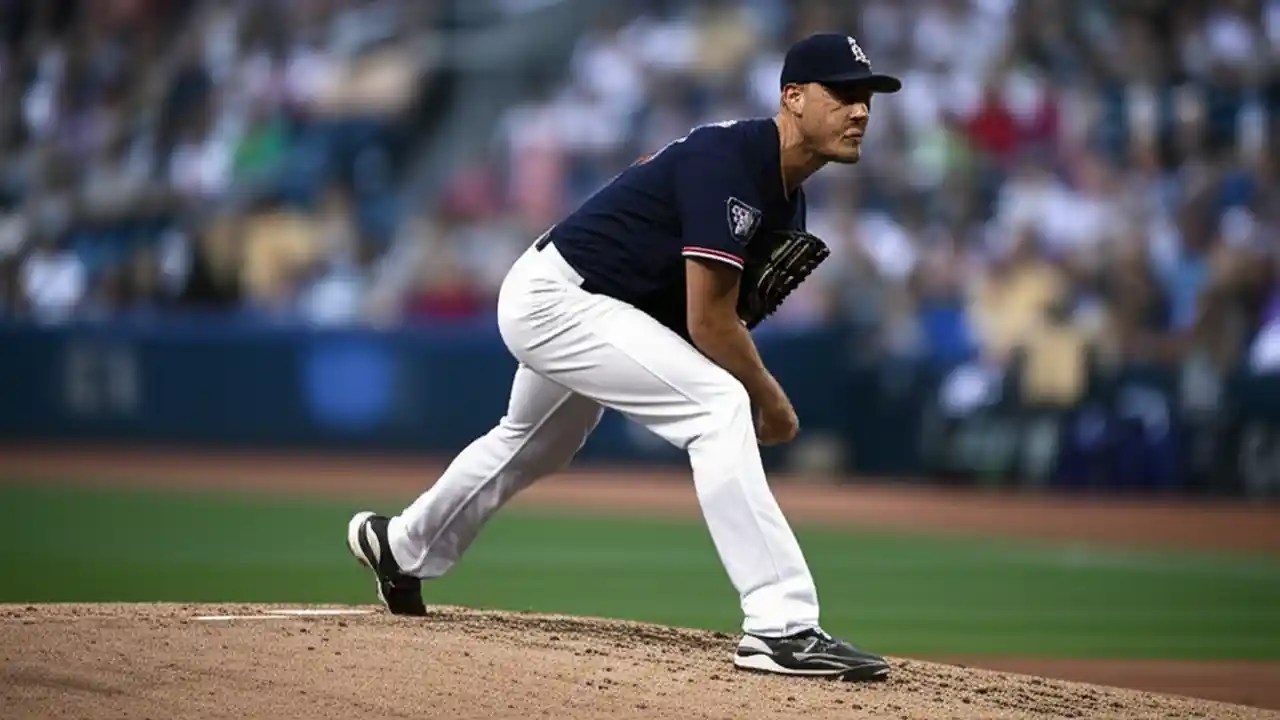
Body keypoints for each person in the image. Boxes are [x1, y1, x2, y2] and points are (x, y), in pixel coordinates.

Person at [347, 33, 901, 681]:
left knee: (535, 441)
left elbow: (705, 316)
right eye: (844, 94)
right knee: (719, 406)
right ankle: (781, 625)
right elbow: (708, 321)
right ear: (794, 97)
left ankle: (401, 545)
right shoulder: (733, 159)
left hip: (597, 304)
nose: (861, 110)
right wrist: (769, 399)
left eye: (867, 98)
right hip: (559, 298)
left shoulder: (785, 196)